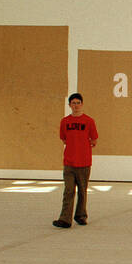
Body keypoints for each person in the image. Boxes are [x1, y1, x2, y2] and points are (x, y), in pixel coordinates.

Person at [55, 93, 98, 229]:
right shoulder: (65, 121)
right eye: (73, 103)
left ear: (82, 104)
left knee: (82, 191)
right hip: (69, 162)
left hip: (84, 162)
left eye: (78, 103)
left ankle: (81, 216)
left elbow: (94, 139)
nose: (76, 105)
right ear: (69, 105)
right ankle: (65, 219)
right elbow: (64, 138)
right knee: (68, 190)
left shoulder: (89, 121)